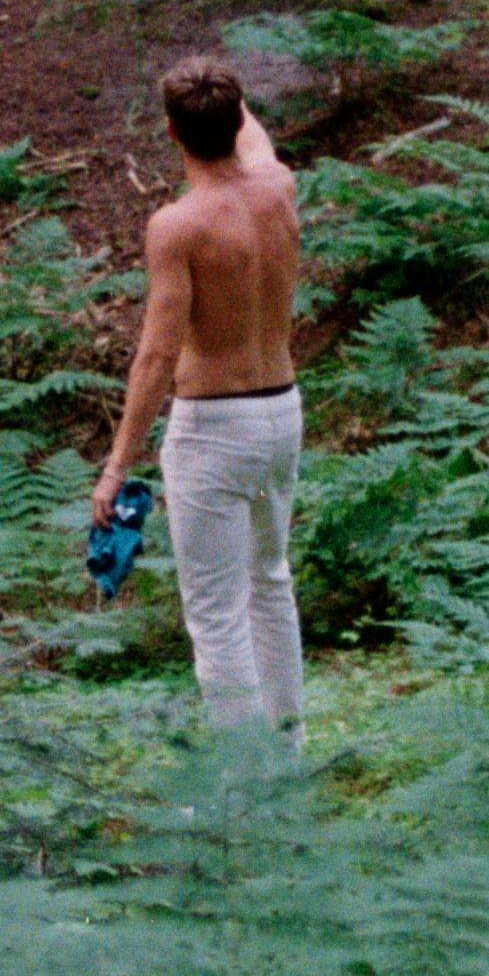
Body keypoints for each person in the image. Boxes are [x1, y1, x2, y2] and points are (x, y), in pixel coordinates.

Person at [93, 55, 305, 736]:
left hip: (213, 427)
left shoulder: (178, 226)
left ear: (171, 133)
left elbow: (157, 354)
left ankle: (241, 799)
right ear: (239, 115)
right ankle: (288, 757)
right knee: (270, 584)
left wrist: (118, 464)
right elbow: (247, 133)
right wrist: (221, 93)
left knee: (215, 616)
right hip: (282, 412)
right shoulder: (278, 186)